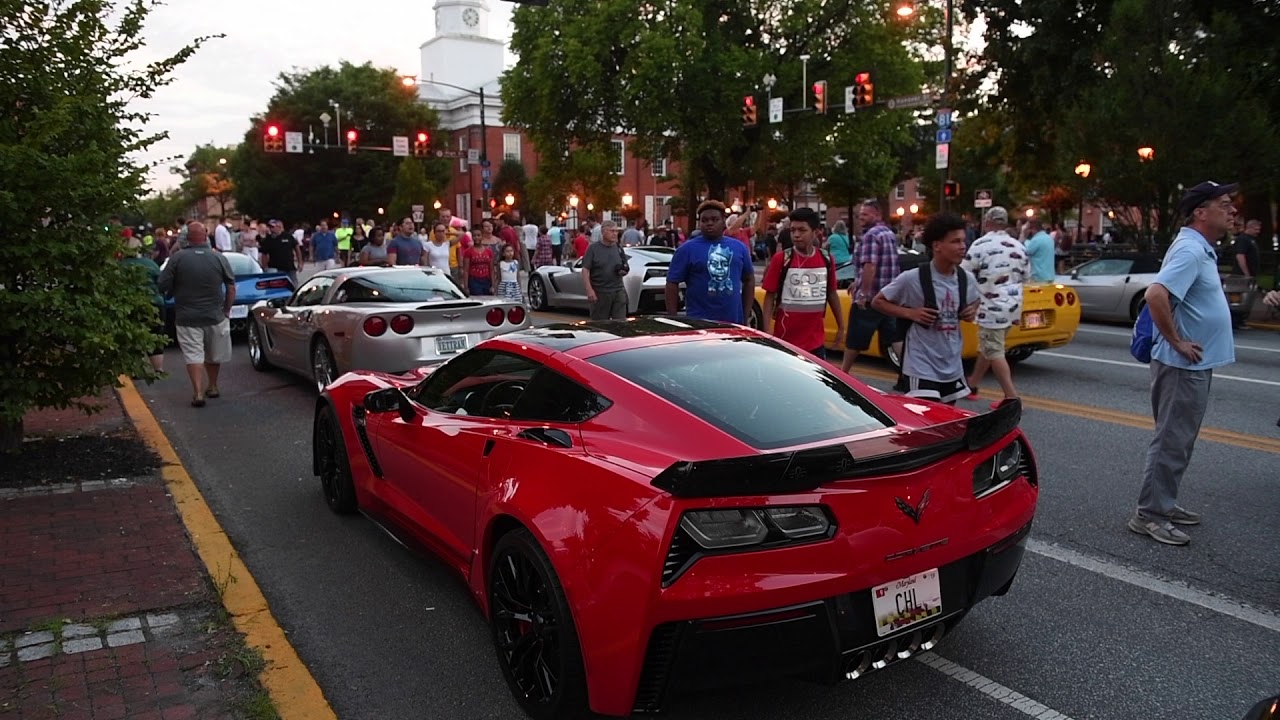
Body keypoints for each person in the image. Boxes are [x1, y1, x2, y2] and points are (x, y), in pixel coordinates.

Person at [1129, 181, 1238, 546]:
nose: (1233, 210)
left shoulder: (1199, 249)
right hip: (1180, 365)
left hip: (1190, 366)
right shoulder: (1191, 250)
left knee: (1179, 440)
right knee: (1171, 441)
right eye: (1224, 204)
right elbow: (1156, 294)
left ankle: (1164, 504)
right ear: (1200, 212)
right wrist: (1176, 340)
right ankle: (1151, 515)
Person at [871, 213, 979, 404]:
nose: (963, 246)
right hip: (921, 364)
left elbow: (975, 301)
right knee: (926, 418)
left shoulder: (966, 279)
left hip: (951, 362)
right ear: (937, 246)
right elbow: (878, 301)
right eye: (955, 241)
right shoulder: (913, 278)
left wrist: (971, 310)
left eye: (963, 240)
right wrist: (910, 313)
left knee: (945, 422)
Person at [157, 221, 235, 407]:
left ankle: (198, 392)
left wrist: (173, 290)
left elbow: (162, 284)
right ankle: (213, 386)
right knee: (214, 354)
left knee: (194, 355)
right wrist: (226, 309)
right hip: (215, 315)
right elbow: (231, 287)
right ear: (205, 236)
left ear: (186, 238)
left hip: (186, 316)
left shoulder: (177, 258)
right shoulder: (218, 258)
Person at [962, 207, 1029, 405]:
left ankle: (1011, 397)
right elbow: (1027, 275)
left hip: (991, 306)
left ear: (988, 221)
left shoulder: (980, 244)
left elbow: (964, 273)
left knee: (994, 350)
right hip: (1013, 306)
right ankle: (972, 383)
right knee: (990, 345)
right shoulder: (1018, 246)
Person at [761, 207, 845, 359]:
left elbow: (832, 293)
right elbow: (769, 296)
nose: (796, 235)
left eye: (802, 230)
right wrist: (766, 331)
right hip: (785, 341)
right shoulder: (781, 259)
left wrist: (841, 326)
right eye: (793, 230)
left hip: (815, 343)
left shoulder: (826, 259)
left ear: (815, 232)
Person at [665, 200, 755, 324]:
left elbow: (749, 279)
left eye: (714, 219)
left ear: (723, 221)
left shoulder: (739, 248)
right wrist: (673, 319)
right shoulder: (686, 250)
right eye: (704, 220)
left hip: (733, 324)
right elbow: (672, 283)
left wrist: (745, 315)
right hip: (698, 325)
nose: (709, 223)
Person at [841, 199, 902, 374]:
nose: (861, 217)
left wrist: (863, 293)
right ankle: (908, 374)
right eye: (860, 214)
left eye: (866, 214)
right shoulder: (888, 234)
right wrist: (857, 282)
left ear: (877, 215)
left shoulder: (870, 236)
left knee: (854, 340)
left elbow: (870, 265)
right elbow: (886, 264)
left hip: (871, 299)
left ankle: (843, 374)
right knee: (894, 338)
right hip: (889, 298)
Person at [121, 236, 166, 375]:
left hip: (130, 304)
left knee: (132, 337)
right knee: (156, 335)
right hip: (154, 303)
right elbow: (161, 283)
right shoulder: (150, 264)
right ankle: (158, 369)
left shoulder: (120, 266)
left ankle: (136, 370)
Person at [583, 220, 630, 320]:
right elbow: (585, 270)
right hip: (600, 292)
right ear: (603, 232)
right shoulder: (593, 249)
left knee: (620, 323)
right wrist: (589, 290)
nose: (615, 234)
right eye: (612, 231)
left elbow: (625, 266)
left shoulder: (618, 248)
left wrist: (623, 271)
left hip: (618, 290)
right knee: (600, 326)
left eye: (616, 231)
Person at [259, 219, 302, 287]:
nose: (271, 229)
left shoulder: (288, 236)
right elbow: (264, 254)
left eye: (273, 227)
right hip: (275, 268)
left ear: (279, 227)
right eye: (270, 227)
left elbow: (297, 248)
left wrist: (300, 263)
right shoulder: (268, 239)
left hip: (289, 267)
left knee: (293, 286)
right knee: (277, 287)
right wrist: (265, 267)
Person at [1022, 217, 1055, 282]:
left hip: (1038, 277)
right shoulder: (1049, 238)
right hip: (1050, 275)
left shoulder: (1036, 240)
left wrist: (1024, 236)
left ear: (1032, 229)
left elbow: (1025, 252)